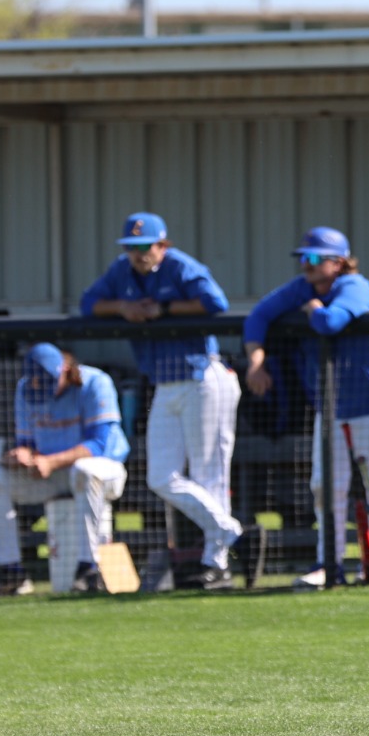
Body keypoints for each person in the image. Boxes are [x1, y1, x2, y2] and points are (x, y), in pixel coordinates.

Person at [80, 212, 240, 589]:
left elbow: (215, 302)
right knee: (160, 477)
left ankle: (216, 563)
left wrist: (165, 310)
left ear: (162, 245)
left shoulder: (181, 267)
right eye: (131, 248)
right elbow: (89, 302)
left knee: (209, 473)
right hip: (165, 382)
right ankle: (233, 533)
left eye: (145, 246)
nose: (138, 254)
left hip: (203, 375)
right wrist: (122, 308)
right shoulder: (122, 271)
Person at [244, 227, 369, 584]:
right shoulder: (303, 287)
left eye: (315, 258)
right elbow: (258, 316)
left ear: (339, 262)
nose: (307, 265)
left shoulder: (354, 286)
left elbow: (330, 322)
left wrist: (314, 308)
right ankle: (328, 562)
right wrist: (256, 360)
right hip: (333, 405)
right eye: (303, 258)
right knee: (325, 486)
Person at [0, 344, 131, 596]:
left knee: (84, 470)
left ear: (65, 370)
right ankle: (11, 571)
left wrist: (51, 462)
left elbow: (99, 444)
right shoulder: (26, 389)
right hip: (53, 473)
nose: (42, 390)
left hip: (104, 471)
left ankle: (89, 569)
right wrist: (23, 456)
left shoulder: (95, 382)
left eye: (48, 382)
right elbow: (27, 443)